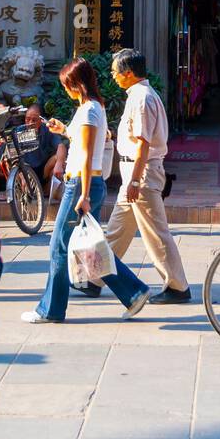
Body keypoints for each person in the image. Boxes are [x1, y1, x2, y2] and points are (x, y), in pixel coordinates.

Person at [22, 58, 150, 324]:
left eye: (67, 85)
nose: (66, 90)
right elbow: (84, 144)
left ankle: (51, 310)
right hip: (84, 183)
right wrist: (66, 130)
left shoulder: (90, 109)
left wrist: (84, 195)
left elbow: (89, 153)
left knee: (59, 246)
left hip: (81, 183)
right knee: (91, 247)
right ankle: (134, 292)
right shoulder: (93, 108)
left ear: (76, 84)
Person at [106, 49, 191, 305]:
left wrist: (133, 181)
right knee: (117, 230)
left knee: (156, 233)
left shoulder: (141, 98)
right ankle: (95, 276)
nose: (113, 77)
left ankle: (177, 286)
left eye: (115, 72)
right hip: (135, 172)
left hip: (140, 174)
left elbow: (143, 143)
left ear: (128, 73)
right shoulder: (141, 95)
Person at [13, 104, 68, 194]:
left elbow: (61, 146)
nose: (30, 122)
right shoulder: (19, 131)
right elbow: (13, 158)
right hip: (25, 170)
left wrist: (59, 163)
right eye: (27, 119)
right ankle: (17, 191)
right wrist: (22, 176)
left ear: (41, 120)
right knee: (9, 162)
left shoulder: (47, 130)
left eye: (34, 120)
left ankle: (47, 190)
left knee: (59, 159)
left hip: (43, 170)